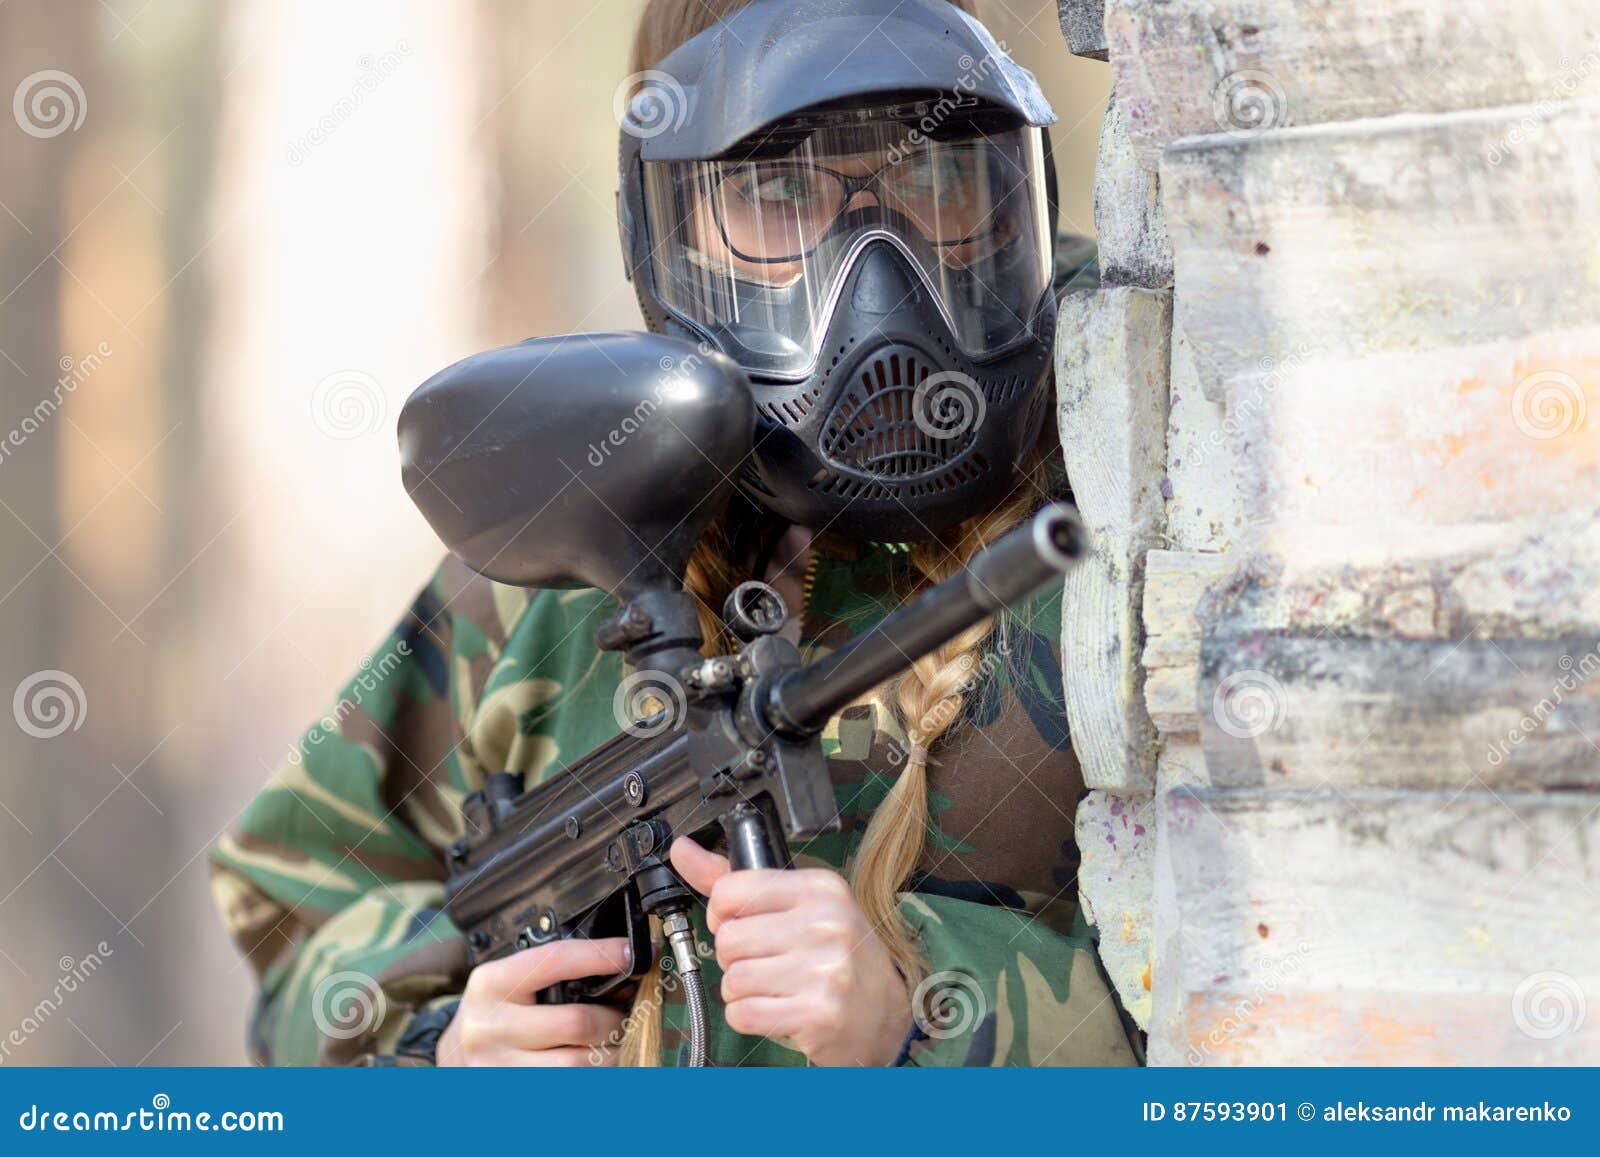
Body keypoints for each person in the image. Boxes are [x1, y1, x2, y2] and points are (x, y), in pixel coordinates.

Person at [210, 0, 1137, 1068]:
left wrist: (924, 1008)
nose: (873, 270)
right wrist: (441, 1051)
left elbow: (1256, 1011)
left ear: (1015, 191)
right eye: (777, 192)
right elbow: (297, 901)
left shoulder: (1138, 486)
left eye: (931, 173)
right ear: (669, 235)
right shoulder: (578, 524)